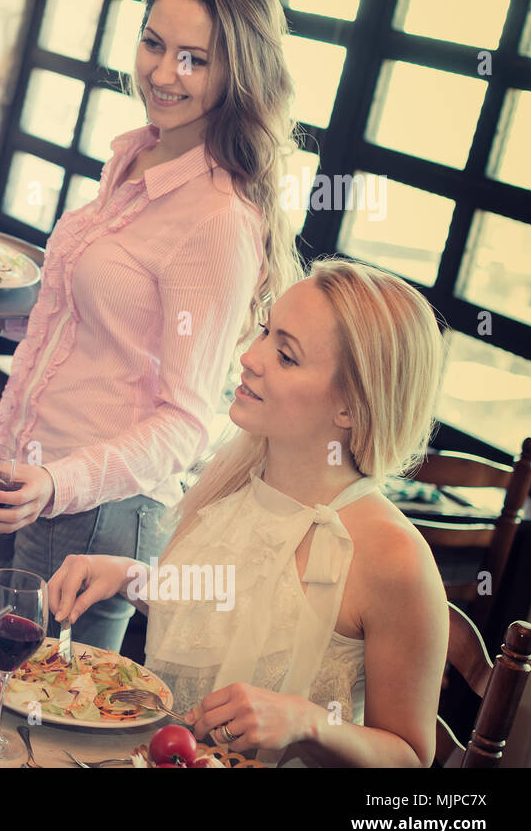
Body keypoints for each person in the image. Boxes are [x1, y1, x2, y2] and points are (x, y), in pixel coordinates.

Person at [0, 0, 304, 652]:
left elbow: (186, 421)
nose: (162, 72)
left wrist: (55, 483)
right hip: (24, 468)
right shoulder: (138, 154)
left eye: (196, 57)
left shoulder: (218, 218)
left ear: (238, 70)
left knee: (39, 729)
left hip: (93, 512)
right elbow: (90, 324)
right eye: (153, 42)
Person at [49, 260, 449, 767]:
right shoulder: (236, 487)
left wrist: (308, 721)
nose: (249, 357)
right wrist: (131, 577)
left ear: (350, 408)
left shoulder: (395, 557)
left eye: (284, 355)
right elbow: (232, 611)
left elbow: (411, 758)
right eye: (264, 331)